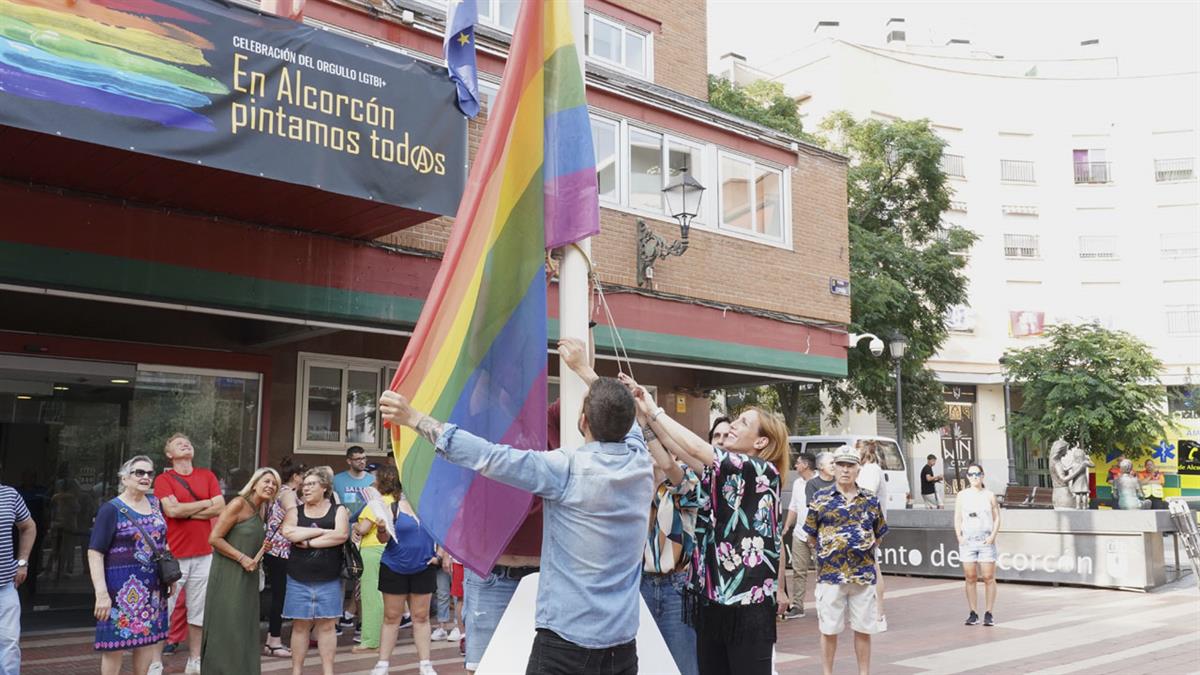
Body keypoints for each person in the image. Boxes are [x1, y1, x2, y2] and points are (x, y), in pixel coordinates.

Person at [380, 338, 655, 675]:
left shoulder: (564, 468)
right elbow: (615, 410)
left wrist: (414, 418)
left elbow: (487, 456)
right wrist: (584, 368)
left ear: (583, 421)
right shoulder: (641, 461)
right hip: (623, 644)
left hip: (567, 642)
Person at [623, 373, 789, 675]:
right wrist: (645, 418)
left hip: (747, 604)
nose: (732, 427)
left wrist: (653, 408)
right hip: (712, 599)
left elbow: (697, 450)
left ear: (762, 441)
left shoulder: (763, 471)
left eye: (743, 424)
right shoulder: (720, 474)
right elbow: (676, 456)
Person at [803, 446, 887, 675]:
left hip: (862, 575)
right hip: (830, 575)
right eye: (841, 464)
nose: (846, 470)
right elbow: (811, 534)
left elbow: (878, 535)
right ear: (834, 468)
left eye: (851, 465)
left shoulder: (870, 500)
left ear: (858, 469)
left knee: (863, 628)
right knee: (828, 629)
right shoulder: (820, 499)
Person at [88, 456, 170, 675]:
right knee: (114, 646)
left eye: (150, 473)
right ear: (125, 478)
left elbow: (162, 541)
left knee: (146, 642)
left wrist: (169, 575)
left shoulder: (156, 504)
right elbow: (95, 552)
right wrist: (101, 593)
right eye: (139, 472)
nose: (146, 477)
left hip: (153, 588)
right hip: (118, 591)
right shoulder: (111, 509)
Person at [153, 433, 224, 675]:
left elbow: (220, 506)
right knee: (164, 610)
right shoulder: (164, 479)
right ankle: (154, 662)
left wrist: (185, 511)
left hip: (205, 553)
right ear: (169, 454)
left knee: (199, 612)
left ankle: (195, 661)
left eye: (188, 442)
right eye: (178, 443)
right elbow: (171, 510)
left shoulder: (207, 475)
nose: (186, 444)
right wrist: (205, 503)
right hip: (173, 556)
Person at [201, 467, 279, 674]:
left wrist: (262, 548)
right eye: (267, 481)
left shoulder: (261, 509)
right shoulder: (238, 503)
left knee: (245, 626)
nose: (270, 486)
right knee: (228, 623)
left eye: (274, 484)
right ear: (254, 483)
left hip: (248, 576)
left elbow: (245, 538)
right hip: (229, 574)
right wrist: (242, 558)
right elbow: (214, 538)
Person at [640, 411, 701, 675]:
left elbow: (672, 472)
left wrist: (646, 422)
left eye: (660, 444)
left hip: (675, 586)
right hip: (636, 584)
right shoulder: (632, 482)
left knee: (682, 665)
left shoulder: (685, 482)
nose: (652, 449)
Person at [369, 479, 441, 675]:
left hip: (424, 567)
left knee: (421, 616)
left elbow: (442, 534)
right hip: (394, 567)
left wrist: (440, 556)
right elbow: (383, 538)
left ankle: (425, 663)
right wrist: (382, 528)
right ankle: (382, 663)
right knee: (392, 617)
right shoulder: (392, 508)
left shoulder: (431, 508)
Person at [282, 466, 349, 675]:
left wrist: (309, 543)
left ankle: (328, 672)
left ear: (325, 487)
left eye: (311, 484)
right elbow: (289, 532)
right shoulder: (295, 511)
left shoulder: (338, 510)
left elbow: (340, 536)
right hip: (298, 577)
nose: (305, 488)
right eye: (304, 485)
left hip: (329, 578)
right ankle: (296, 671)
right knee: (300, 626)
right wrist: (321, 531)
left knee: (327, 626)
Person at [353, 464, 401, 654]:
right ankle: (383, 639)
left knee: (371, 595)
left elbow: (363, 528)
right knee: (387, 595)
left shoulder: (376, 503)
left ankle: (370, 640)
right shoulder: (395, 501)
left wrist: (354, 528)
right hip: (389, 550)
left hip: (372, 550)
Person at [263, 457, 305, 658]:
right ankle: (274, 640)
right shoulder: (287, 493)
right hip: (282, 551)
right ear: (296, 476)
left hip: (278, 550)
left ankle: (274, 638)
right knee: (280, 595)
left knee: (280, 594)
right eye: (303, 475)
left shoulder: (282, 492)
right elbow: (293, 511)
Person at [333, 446, 374, 631]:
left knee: (362, 582)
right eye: (357, 459)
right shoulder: (338, 480)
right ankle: (335, 621)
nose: (362, 462)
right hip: (341, 536)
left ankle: (361, 622)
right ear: (349, 460)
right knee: (339, 581)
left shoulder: (372, 480)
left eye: (364, 458)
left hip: (366, 537)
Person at [955, 463, 1000, 627]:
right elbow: (958, 517)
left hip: (985, 540)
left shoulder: (989, 495)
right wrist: (959, 536)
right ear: (967, 476)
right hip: (968, 540)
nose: (974, 477)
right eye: (971, 474)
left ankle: (989, 612)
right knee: (970, 577)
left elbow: (997, 517)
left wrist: (992, 536)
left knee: (988, 577)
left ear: (982, 476)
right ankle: (973, 612)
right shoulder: (962, 495)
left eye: (977, 474)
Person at [1, 464, 36, 673]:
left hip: (5, 586)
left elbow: (28, 526)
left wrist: (22, 562)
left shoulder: (10, 495)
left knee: (9, 644)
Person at [855, 440, 889, 633]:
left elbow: (865, 497)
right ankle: (871, 613)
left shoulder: (870, 470)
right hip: (865, 527)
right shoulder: (868, 469)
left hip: (867, 527)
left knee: (873, 568)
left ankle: (878, 615)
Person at [782, 452, 816, 620]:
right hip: (799, 533)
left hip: (818, 535)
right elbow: (793, 506)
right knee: (798, 571)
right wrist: (787, 525)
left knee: (824, 571)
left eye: (798, 463)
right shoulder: (797, 483)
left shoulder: (820, 482)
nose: (795, 466)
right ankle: (797, 606)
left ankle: (829, 604)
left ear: (806, 465)